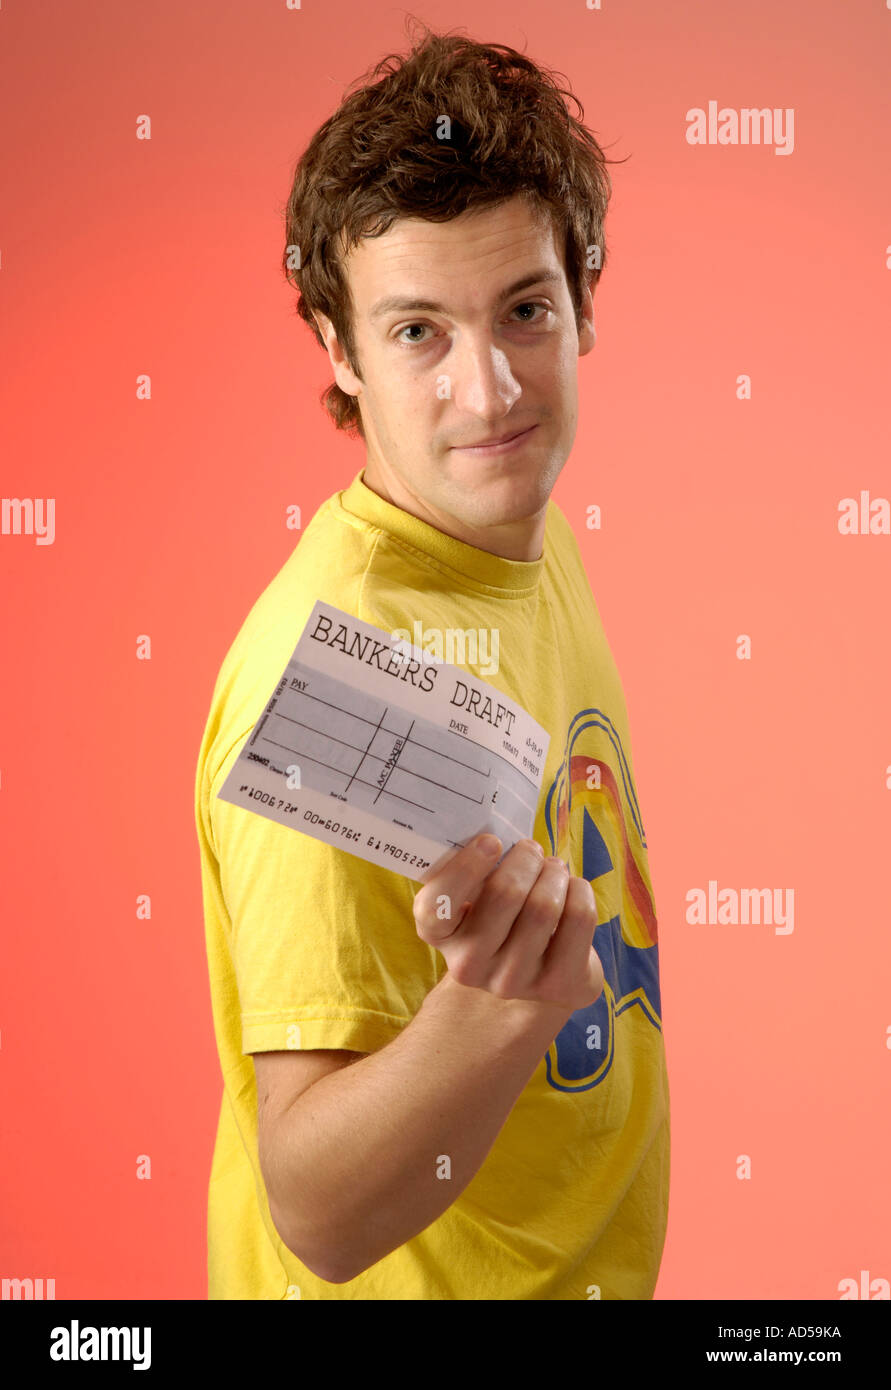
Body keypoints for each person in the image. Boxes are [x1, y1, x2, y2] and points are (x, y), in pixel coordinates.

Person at [194, 21, 670, 1300]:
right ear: (338, 349)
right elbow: (318, 1212)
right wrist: (494, 1009)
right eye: (418, 332)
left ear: (582, 300)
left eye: (525, 310)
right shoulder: (331, 673)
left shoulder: (519, 532)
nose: (491, 391)